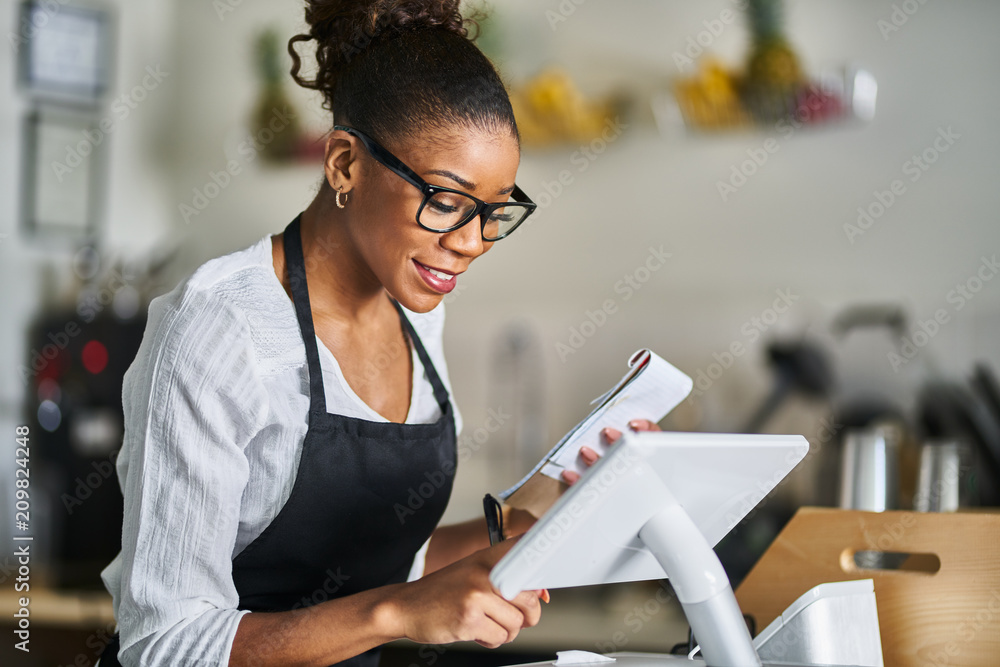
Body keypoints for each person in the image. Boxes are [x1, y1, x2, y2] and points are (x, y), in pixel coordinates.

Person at [97, 2, 658, 665]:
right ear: (344, 164)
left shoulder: (417, 307)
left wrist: (550, 505)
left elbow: (378, 559)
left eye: (494, 211)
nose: (473, 242)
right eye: (446, 202)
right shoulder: (219, 330)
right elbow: (162, 646)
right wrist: (400, 610)